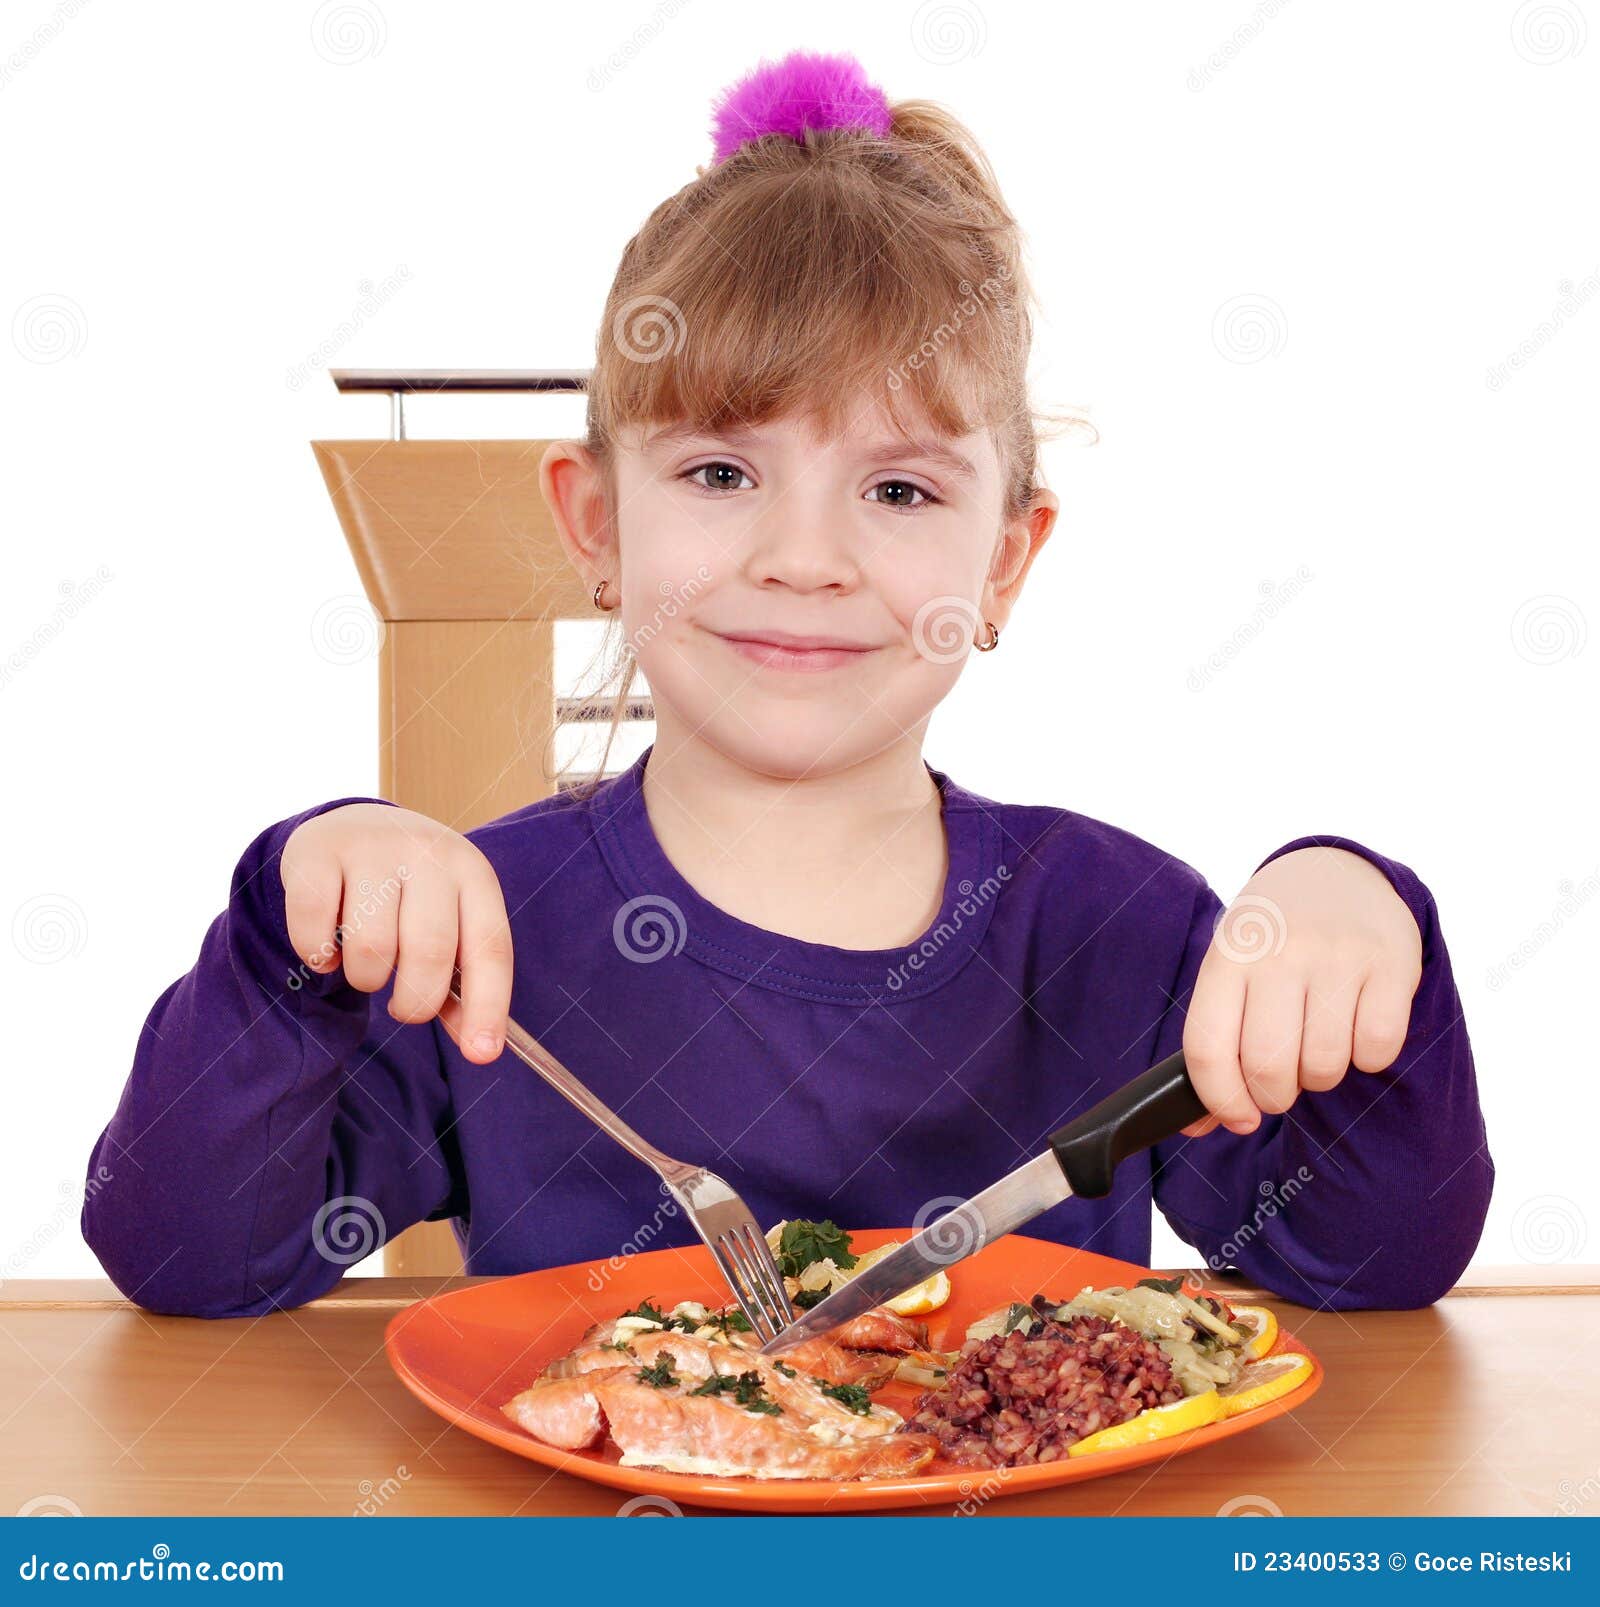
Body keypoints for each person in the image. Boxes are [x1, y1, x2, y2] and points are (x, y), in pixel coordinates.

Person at [83, 50, 1491, 1319]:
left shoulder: (1116, 933)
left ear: (1005, 562)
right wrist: (292, 937)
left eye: (894, 486)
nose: (804, 557)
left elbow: (1368, 1262)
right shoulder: (481, 942)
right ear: (596, 528)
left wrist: (1360, 914)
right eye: (718, 473)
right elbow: (189, 1258)